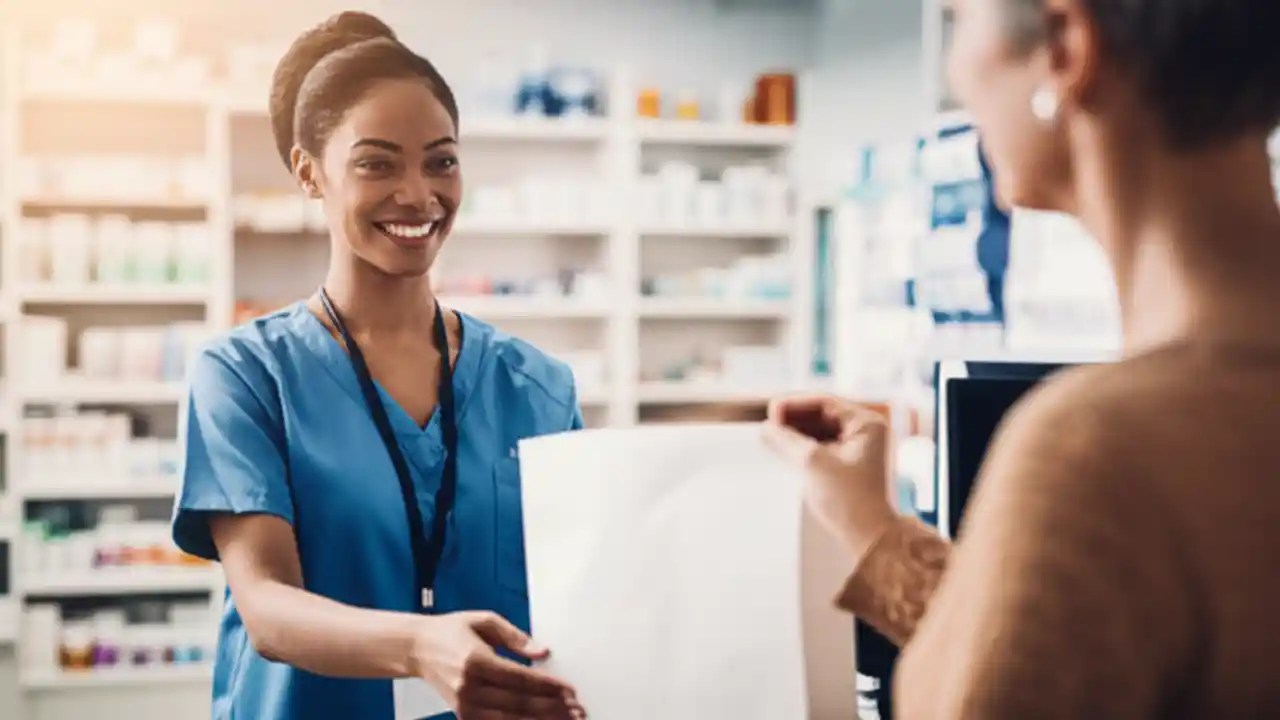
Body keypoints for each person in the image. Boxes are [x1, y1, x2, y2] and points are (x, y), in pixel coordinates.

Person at [765, 0, 1280, 717]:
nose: (955, 72)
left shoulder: (1099, 450)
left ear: (1066, 45)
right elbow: (1067, 648)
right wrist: (870, 524)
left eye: (957, 20)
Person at [172, 12, 586, 720]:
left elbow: (580, 589)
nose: (419, 193)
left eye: (441, 160)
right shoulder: (246, 375)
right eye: (377, 162)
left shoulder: (539, 387)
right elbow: (268, 608)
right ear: (310, 172)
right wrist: (421, 645)